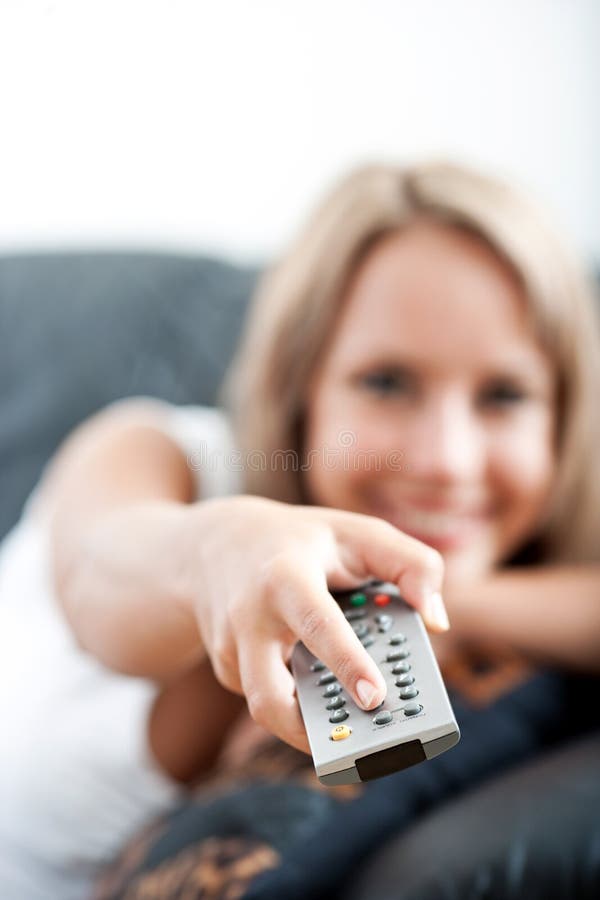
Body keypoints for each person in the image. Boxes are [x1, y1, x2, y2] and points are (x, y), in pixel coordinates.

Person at [1, 161, 599, 900]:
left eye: (504, 395)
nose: (446, 461)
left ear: (565, 424)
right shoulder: (167, 455)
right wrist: (226, 552)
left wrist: (441, 602)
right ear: (301, 391)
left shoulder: (532, 562)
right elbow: (101, 574)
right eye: (386, 382)